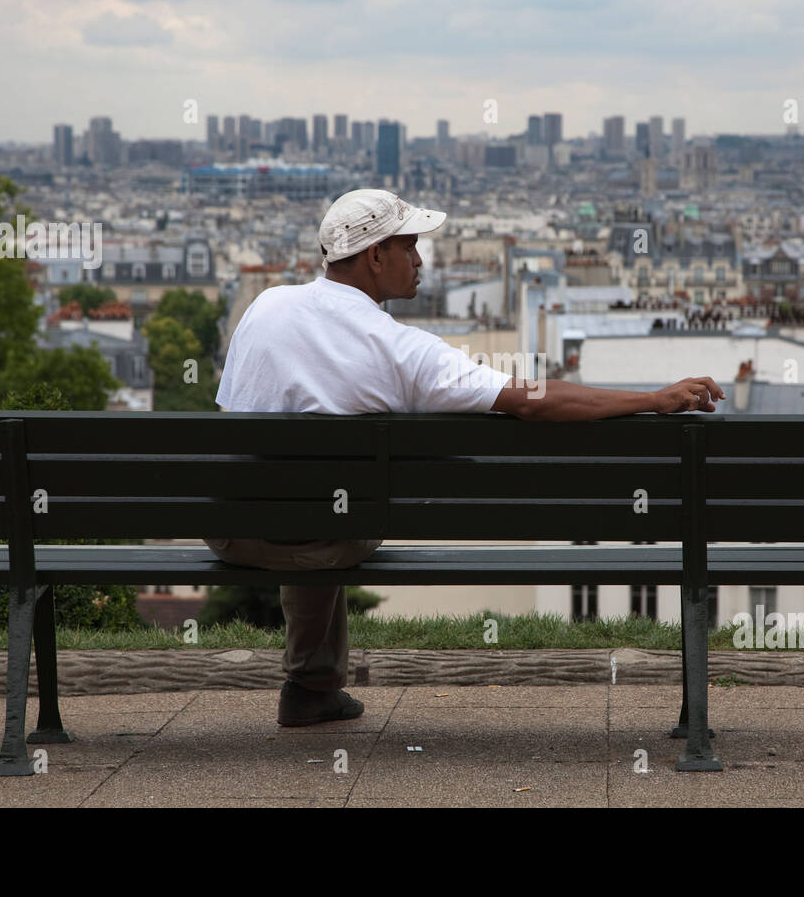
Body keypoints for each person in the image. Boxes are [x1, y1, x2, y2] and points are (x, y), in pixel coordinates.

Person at [207, 188, 724, 727]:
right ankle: (311, 684)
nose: (420, 260)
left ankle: (312, 685)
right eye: (409, 246)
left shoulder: (264, 305)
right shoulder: (403, 350)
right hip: (322, 541)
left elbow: (233, 413)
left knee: (309, 498)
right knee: (330, 513)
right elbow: (534, 401)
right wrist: (651, 400)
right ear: (374, 257)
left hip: (231, 531)